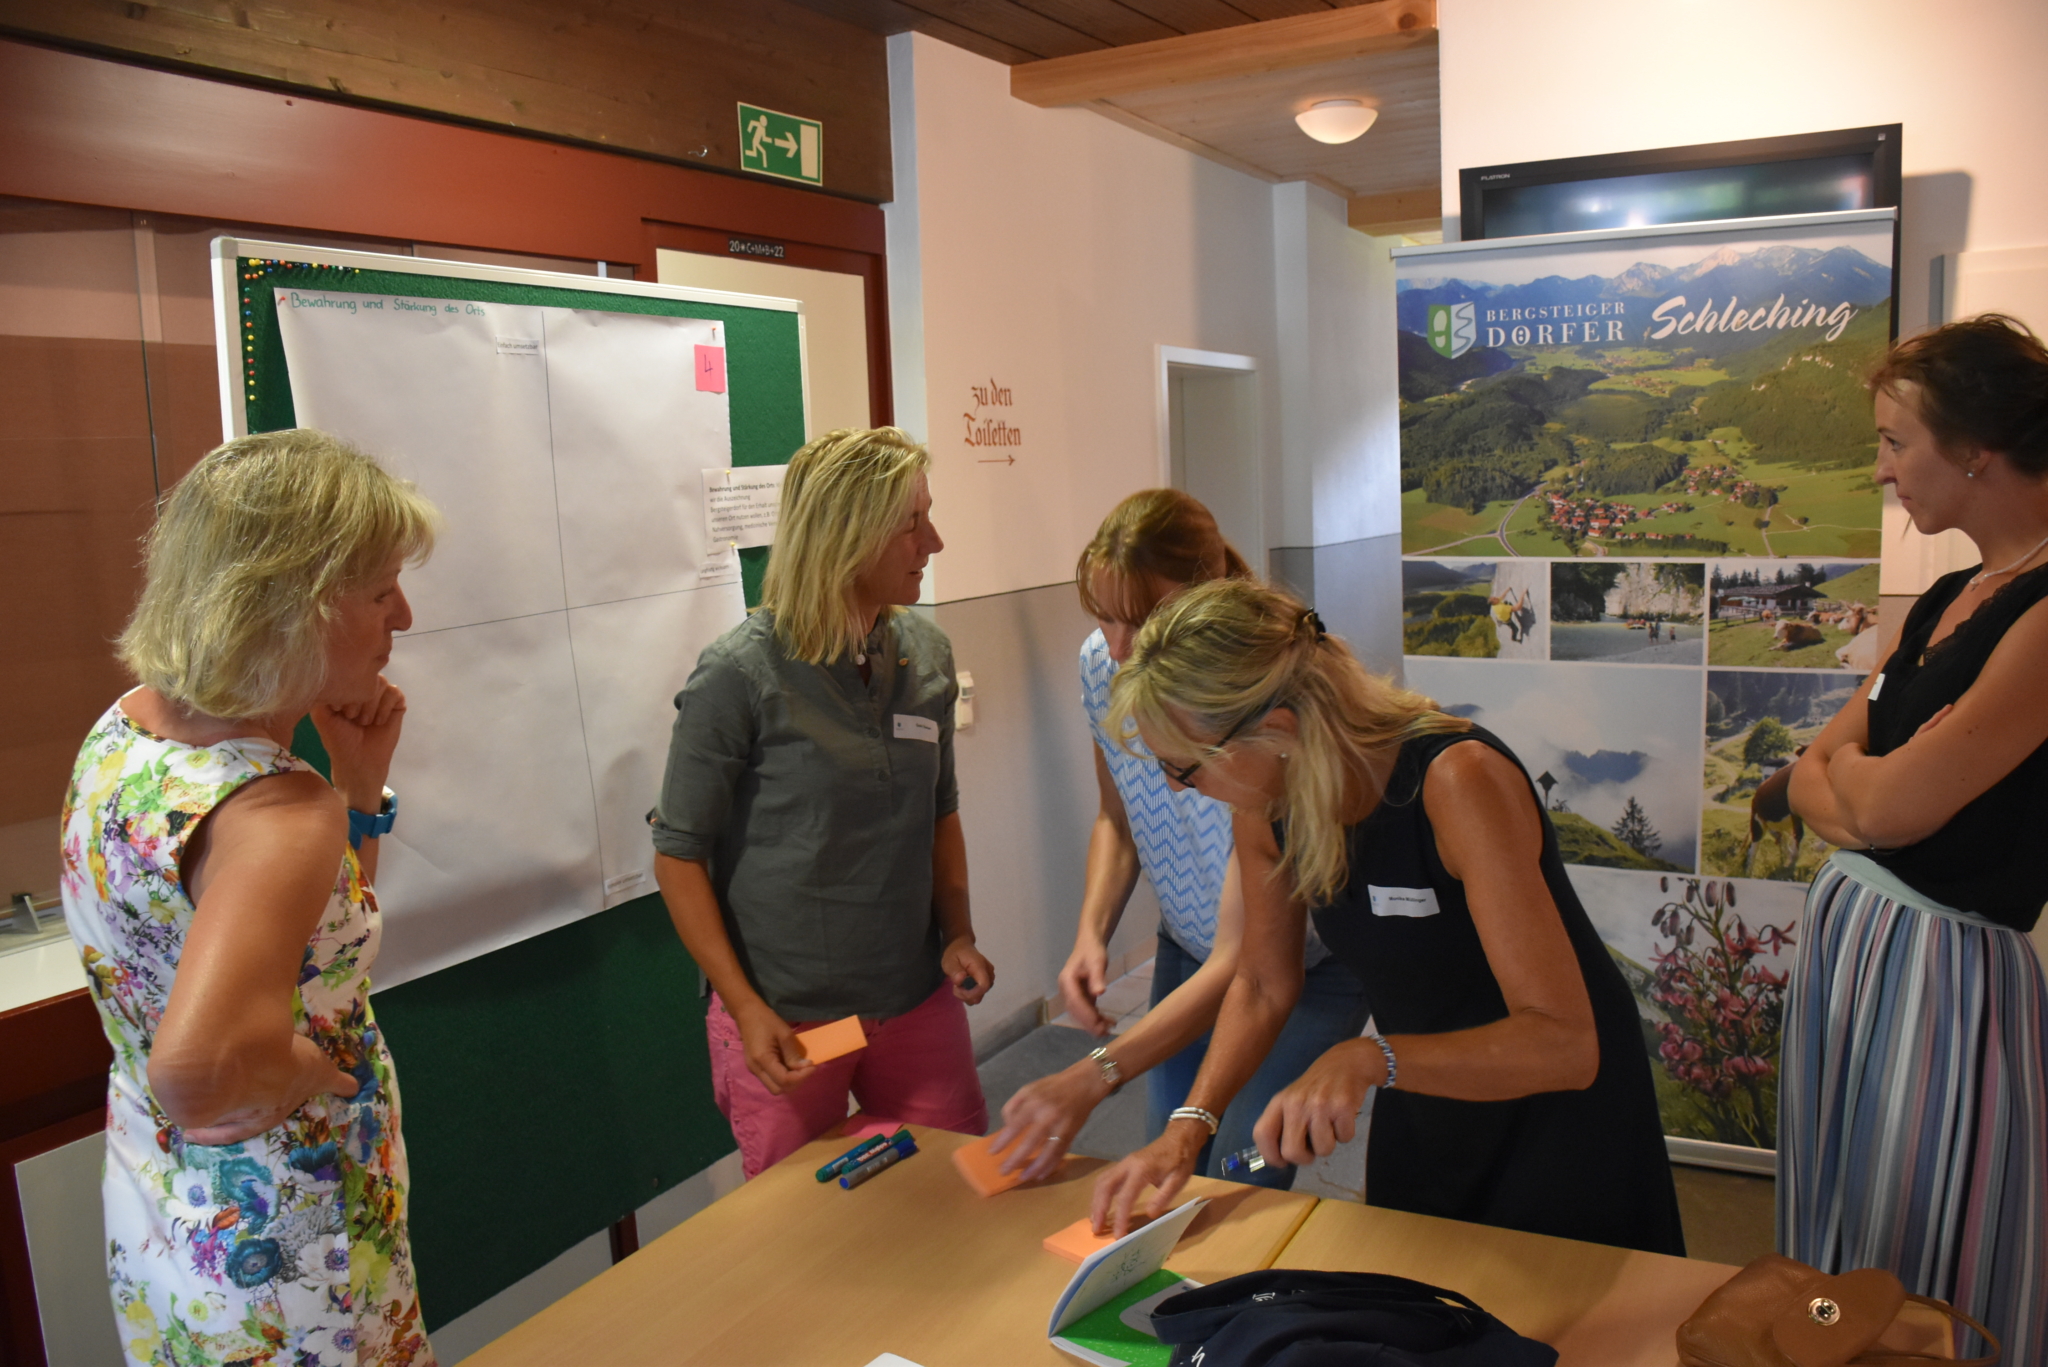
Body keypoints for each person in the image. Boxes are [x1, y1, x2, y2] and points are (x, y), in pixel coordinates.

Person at [1088, 578, 1685, 1255]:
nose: (1174, 786)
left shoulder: (1456, 781)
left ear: (1277, 731)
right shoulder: (1268, 805)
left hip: (1556, 1122)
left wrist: (1370, 1055)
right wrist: (1187, 1128)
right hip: (1426, 1093)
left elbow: (1567, 1044)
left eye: (1184, 767)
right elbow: (1261, 980)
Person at [60, 430, 439, 1367]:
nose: (406, 614)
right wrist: (315, 1070)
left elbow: (302, 952)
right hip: (293, 1244)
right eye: (380, 587)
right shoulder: (276, 809)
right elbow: (200, 1071)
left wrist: (356, 788)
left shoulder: (128, 730)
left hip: (172, 1216)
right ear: (295, 605)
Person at [1783, 314, 2048, 1361]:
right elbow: (1812, 768)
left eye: (1896, 442)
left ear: (1973, 447)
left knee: (1926, 1231)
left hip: (1942, 972)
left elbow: (1883, 809)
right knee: (1844, 1219)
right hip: (1861, 955)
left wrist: (1854, 787)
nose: (1883, 470)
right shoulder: (1944, 595)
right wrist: (1858, 783)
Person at [991, 491, 1369, 1188]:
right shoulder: (1101, 665)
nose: (1120, 646)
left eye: (1143, 619)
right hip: (1190, 950)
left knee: (1240, 1163)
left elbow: (1249, 960)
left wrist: (1091, 1074)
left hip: (1300, 967)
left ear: (1209, 595)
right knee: (1168, 1156)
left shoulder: (1255, 695)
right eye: (1102, 617)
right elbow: (1118, 816)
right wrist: (1091, 930)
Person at [651, 427, 994, 1179]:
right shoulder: (739, 676)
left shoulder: (924, 655)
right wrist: (744, 1007)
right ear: (848, 534)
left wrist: (959, 932)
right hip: (792, 1014)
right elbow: (678, 856)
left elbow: (940, 814)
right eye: (912, 523)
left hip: (911, 995)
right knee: (803, 1228)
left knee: (953, 1187)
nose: (932, 540)